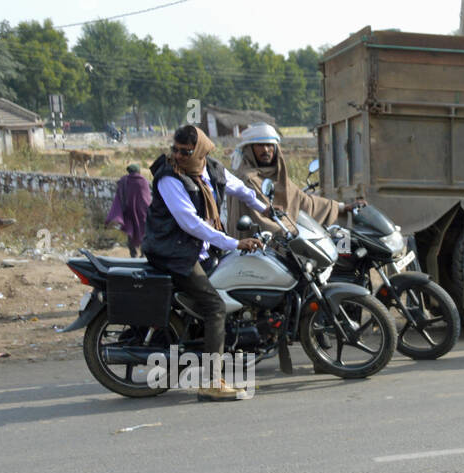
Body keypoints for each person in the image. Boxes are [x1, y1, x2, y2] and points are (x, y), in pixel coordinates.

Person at [142, 124, 270, 400]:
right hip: (173, 252)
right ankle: (211, 381)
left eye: (185, 151)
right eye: (175, 150)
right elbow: (190, 223)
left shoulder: (211, 170)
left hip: (197, 249)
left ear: (199, 151)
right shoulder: (170, 178)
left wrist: (267, 208)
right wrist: (234, 242)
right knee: (215, 308)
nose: (177, 156)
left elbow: (241, 190)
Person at [225, 123, 364, 232]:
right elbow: (263, 220)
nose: (266, 150)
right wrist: (291, 233)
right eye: (260, 145)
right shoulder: (247, 179)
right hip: (260, 253)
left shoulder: (279, 177)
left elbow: (305, 202)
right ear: (250, 149)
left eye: (270, 145)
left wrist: (342, 207)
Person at [106, 163, 151, 258]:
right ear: (138, 171)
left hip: (128, 211)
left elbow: (120, 195)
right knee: (143, 232)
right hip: (142, 212)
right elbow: (146, 197)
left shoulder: (123, 180)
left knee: (131, 233)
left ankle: (133, 254)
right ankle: (143, 254)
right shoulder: (143, 181)